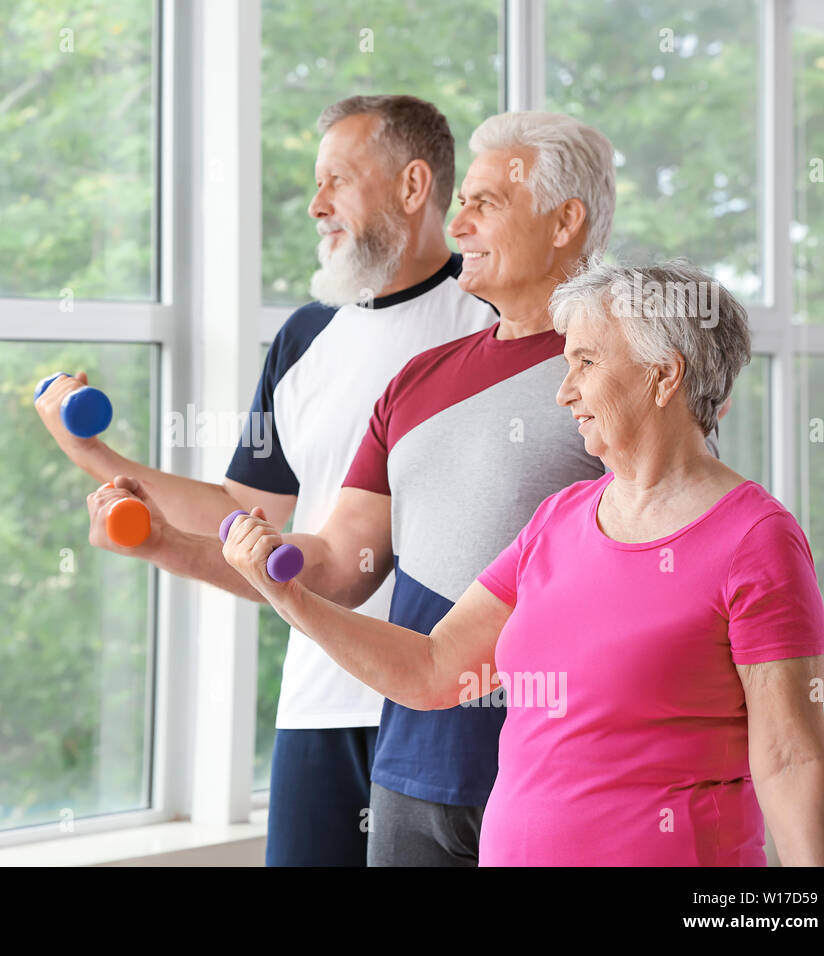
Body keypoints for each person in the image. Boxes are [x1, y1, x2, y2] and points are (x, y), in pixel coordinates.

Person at [95, 111, 626, 865]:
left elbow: (672, 560)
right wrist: (170, 544)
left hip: (557, 763)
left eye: (484, 204)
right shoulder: (416, 382)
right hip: (413, 768)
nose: (459, 222)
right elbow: (343, 562)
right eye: (461, 200)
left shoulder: (629, 369)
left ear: (566, 220)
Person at [220, 259, 824, 866]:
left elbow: (790, 756)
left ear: (663, 375)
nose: (564, 390)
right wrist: (292, 600)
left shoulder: (756, 539)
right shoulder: (559, 519)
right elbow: (434, 670)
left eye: (587, 363)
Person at [38, 94, 497, 865]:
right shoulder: (305, 335)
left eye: (338, 181)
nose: (316, 206)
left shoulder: (491, 316)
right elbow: (247, 514)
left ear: (414, 187)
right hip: (321, 699)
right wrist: (102, 462)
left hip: (455, 706)